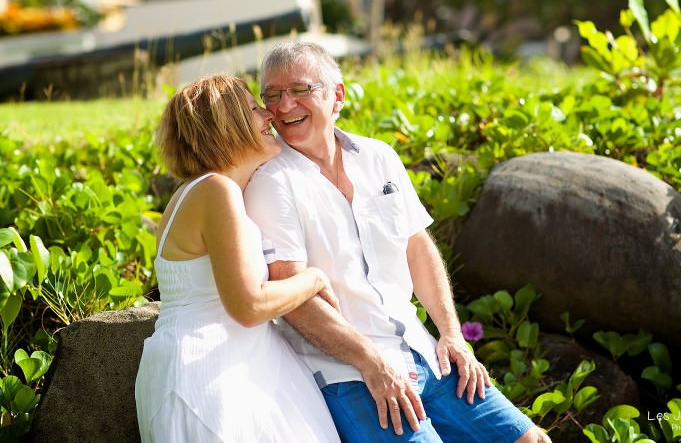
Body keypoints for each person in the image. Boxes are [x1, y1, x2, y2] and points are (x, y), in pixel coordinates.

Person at [244, 43, 551, 443]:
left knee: (531, 440)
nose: (284, 105)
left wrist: (451, 334)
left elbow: (416, 246)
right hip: (351, 372)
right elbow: (294, 297)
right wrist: (373, 363)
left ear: (337, 95)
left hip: (423, 352)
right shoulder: (271, 182)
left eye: (299, 89)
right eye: (272, 95)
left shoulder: (379, 156)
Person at [135, 74, 342, 443]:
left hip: (232, 366)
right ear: (225, 127)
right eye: (252, 108)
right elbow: (249, 305)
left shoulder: (210, 192)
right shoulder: (215, 191)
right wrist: (314, 279)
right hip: (208, 375)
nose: (268, 116)